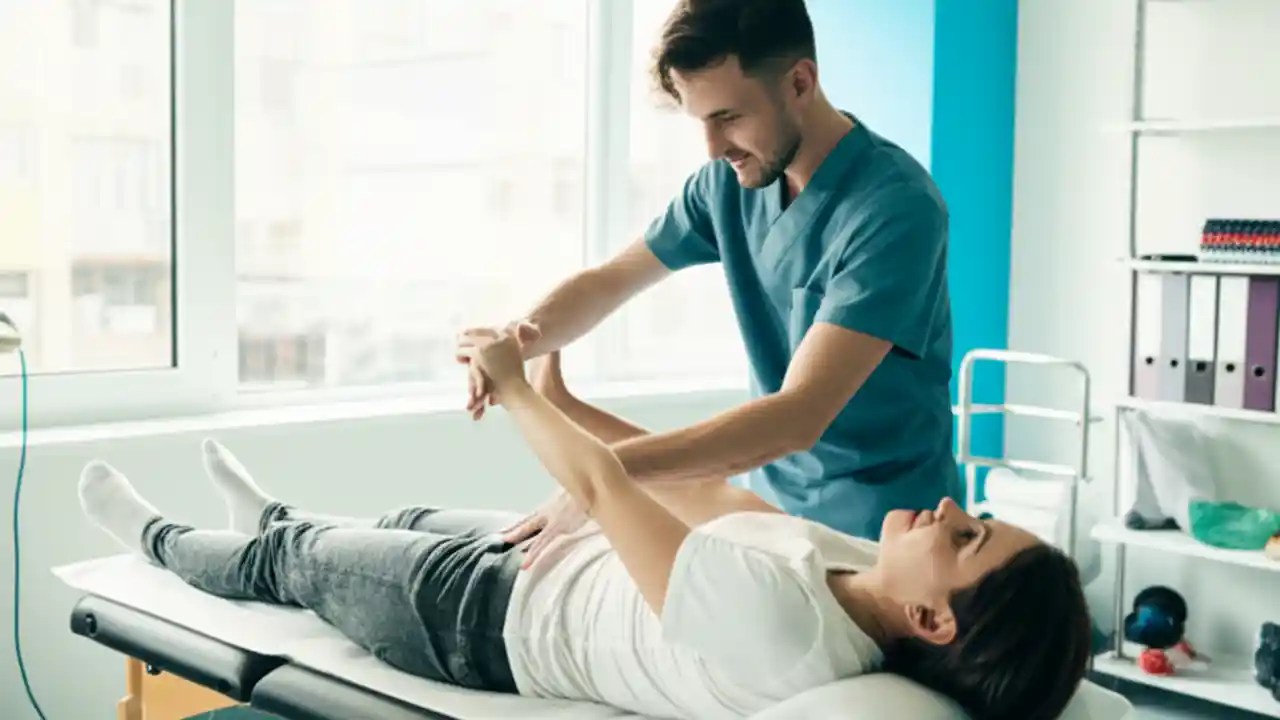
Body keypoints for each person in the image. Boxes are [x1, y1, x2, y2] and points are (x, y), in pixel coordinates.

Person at [79, 333, 1091, 720]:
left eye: (964, 542)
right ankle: (265, 517)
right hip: (550, 559)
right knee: (387, 518)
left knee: (294, 564)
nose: (952, 510)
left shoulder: (789, 639)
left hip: (482, 625)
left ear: (933, 620)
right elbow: (701, 494)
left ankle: (154, 539)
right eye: (973, 519)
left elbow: (611, 492)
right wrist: (574, 402)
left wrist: (517, 389)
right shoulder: (845, 568)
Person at [458, 0, 958, 553]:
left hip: (889, 539)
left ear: (800, 82)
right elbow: (612, 278)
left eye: (729, 118)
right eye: (701, 122)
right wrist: (523, 336)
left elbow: (797, 418)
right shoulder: (727, 186)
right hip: (770, 514)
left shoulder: (894, 210)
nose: (714, 148)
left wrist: (602, 476)